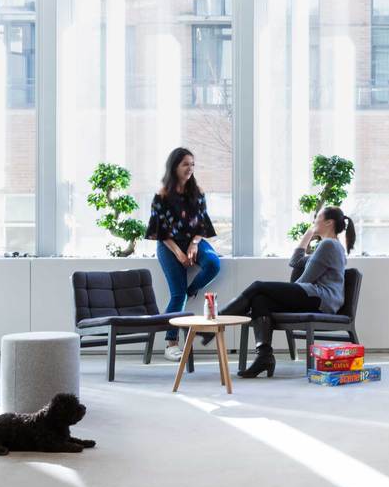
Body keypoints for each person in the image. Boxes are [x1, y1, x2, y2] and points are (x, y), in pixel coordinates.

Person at [226, 207, 355, 379]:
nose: (314, 220)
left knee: (258, 286)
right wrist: (309, 234)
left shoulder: (329, 245)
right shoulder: (327, 246)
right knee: (260, 300)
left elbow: (304, 281)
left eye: (317, 217)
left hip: (321, 299)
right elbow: (295, 262)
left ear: (329, 222)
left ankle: (221, 317)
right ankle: (264, 356)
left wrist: (285, 295)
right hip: (315, 297)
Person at [146, 147, 221, 361]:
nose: (190, 168)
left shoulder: (198, 193)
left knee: (213, 264)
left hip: (193, 241)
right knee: (176, 295)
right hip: (168, 245)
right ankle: (171, 344)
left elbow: (202, 225)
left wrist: (194, 244)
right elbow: (160, 232)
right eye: (185, 164)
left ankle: (191, 291)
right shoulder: (161, 196)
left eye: (192, 164)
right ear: (175, 167)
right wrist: (179, 252)